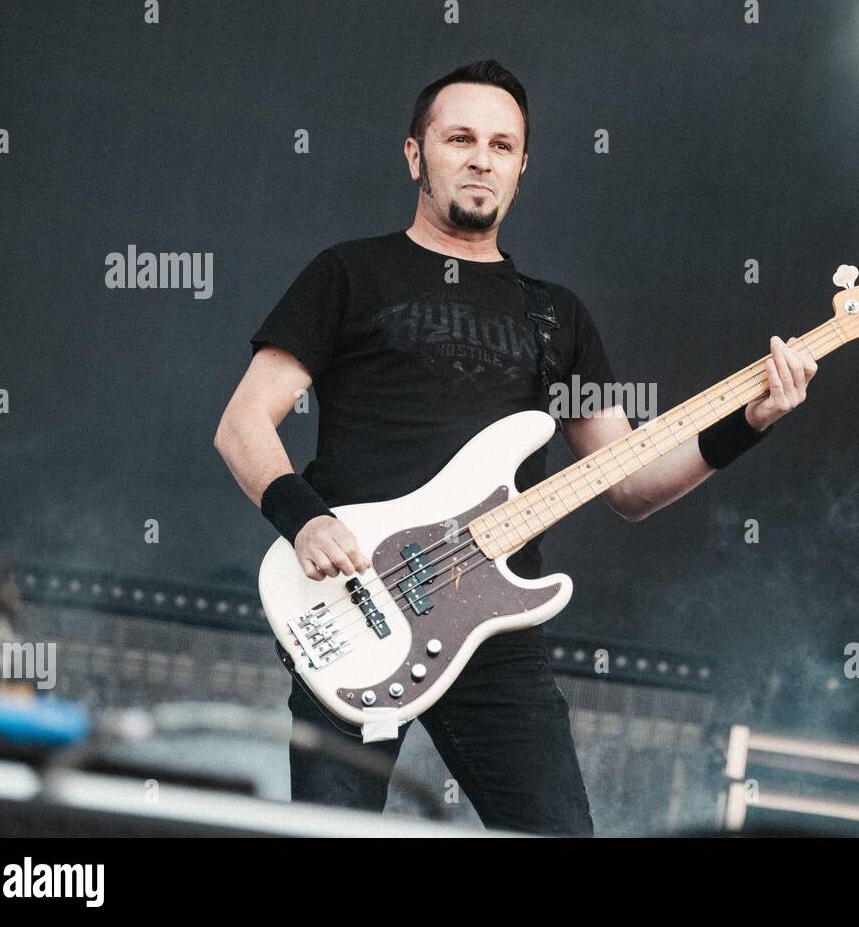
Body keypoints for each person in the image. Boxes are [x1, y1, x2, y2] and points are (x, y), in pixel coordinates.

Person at [213, 59, 817, 836]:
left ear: (522, 167)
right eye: (459, 138)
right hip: (353, 602)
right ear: (414, 155)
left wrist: (750, 421)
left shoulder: (555, 318)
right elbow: (243, 423)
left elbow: (629, 483)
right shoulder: (350, 273)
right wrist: (305, 519)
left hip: (494, 626)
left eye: (502, 145)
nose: (480, 158)